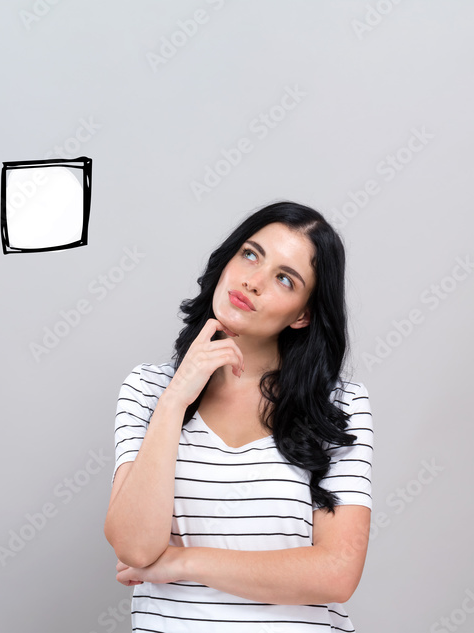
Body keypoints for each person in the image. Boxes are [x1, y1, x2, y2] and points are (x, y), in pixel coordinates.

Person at [104, 201, 373, 632]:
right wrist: (174, 400)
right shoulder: (148, 390)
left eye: (285, 279)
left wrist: (183, 561)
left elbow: (336, 573)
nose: (253, 282)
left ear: (303, 313)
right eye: (251, 254)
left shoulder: (338, 407)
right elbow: (135, 547)